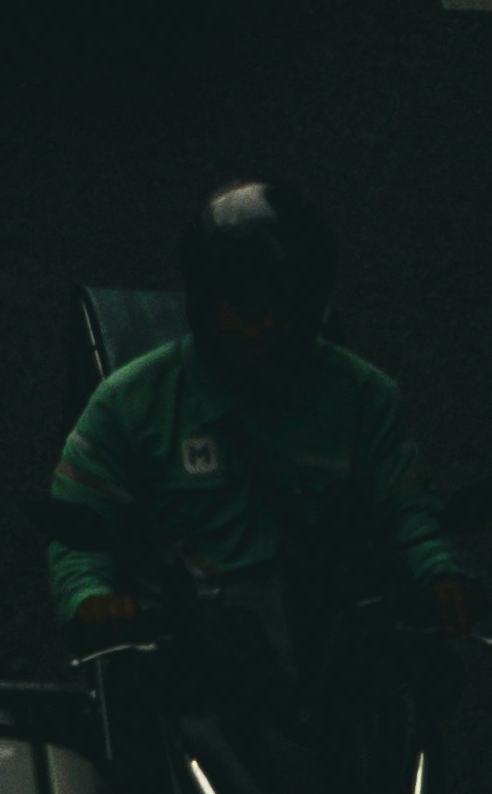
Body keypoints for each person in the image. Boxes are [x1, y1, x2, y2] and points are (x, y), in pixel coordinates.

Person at [51, 181, 476, 675]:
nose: (269, 323)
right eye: (249, 303)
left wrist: (440, 574)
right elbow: (80, 533)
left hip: (332, 654)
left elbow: (407, 513)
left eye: (288, 302)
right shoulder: (126, 405)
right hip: (189, 657)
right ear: (206, 301)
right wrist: (93, 598)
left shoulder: (365, 397)